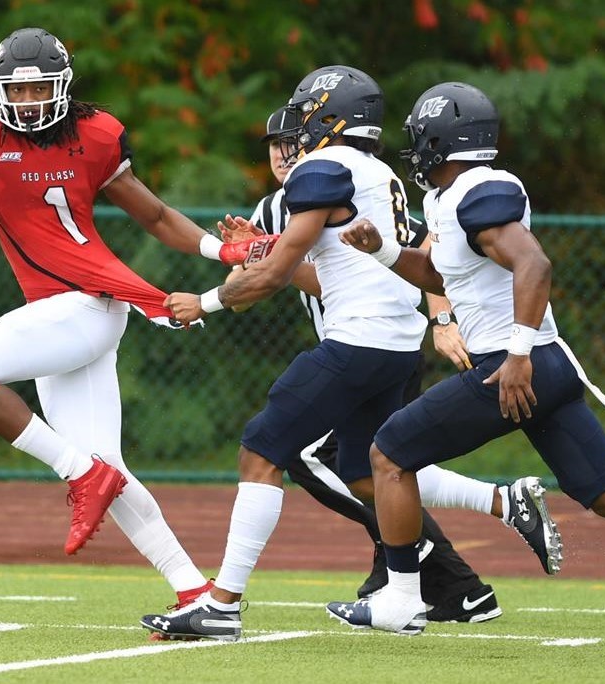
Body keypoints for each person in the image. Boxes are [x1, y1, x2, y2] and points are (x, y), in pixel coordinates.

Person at [139, 66, 557, 642]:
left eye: (306, 110)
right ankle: (410, 590)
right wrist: (266, 252)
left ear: (328, 115)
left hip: (356, 340)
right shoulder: (378, 172)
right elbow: (323, 264)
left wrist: (204, 302)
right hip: (396, 345)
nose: (297, 124)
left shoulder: (323, 166)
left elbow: (277, 273)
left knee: (262, 449)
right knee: (365, 470)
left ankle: (221, 604)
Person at [0, 28, 272, 609]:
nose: (29, 102)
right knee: (110, 469)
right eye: (17, 93)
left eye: (41, 88)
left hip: (87, 304)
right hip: (62, 316)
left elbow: (157, 215)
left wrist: (221, 252)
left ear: (63, 86)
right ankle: (195, 592)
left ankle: (78, 473)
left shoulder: (94, 136)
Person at [327, 81, 605, 635]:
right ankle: (404, 597)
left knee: (385, 454)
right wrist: (382, 250)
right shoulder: (449, 199)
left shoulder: (480, 189)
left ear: (438, 139)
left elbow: (534, 266)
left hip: (515, 365)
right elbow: (442, 277)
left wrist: (517, 356)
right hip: (540, 364)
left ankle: (402, 600)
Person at [242, 108, 531, 623]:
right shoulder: (279, 205)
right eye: (273, 144)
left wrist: (443, 317)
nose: (284, 152)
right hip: (364, 345)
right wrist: (257, 256)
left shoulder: (348, 180)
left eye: (292, 140)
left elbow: (429, 248)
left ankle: (418, 556)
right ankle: (464, 557)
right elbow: (305, 275)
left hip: (374, 346)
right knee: (381, 460)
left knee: (319, 455)